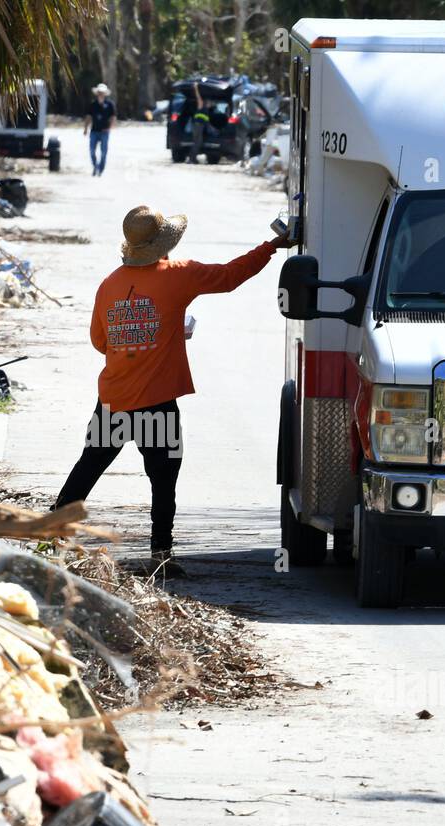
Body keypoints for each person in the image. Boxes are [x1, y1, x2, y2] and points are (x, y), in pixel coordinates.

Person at [54, 205, 295, 574]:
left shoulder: (109, 285)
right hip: (156, 403)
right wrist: (272, 246)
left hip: (114, 400)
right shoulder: (178, 275)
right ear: (163, 245)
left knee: (87, 469)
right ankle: (161, 557)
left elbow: (100, 342)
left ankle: (50, 538)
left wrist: (140, 338)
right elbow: (232, 275)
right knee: (163, 481)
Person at [84, 83, 116, 176]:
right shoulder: (93, 104)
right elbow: (88, 117)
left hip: (104, 132)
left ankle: (100, 169)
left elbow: (113, 117)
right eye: (99, 92)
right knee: (92, 150)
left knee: (103, 152)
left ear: (105, 94)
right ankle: (95, 166)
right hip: (94, 131)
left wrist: (109, 128)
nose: (101, 94)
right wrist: (86, 128)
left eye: (102, 92)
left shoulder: (110, 105)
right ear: (97, 93)